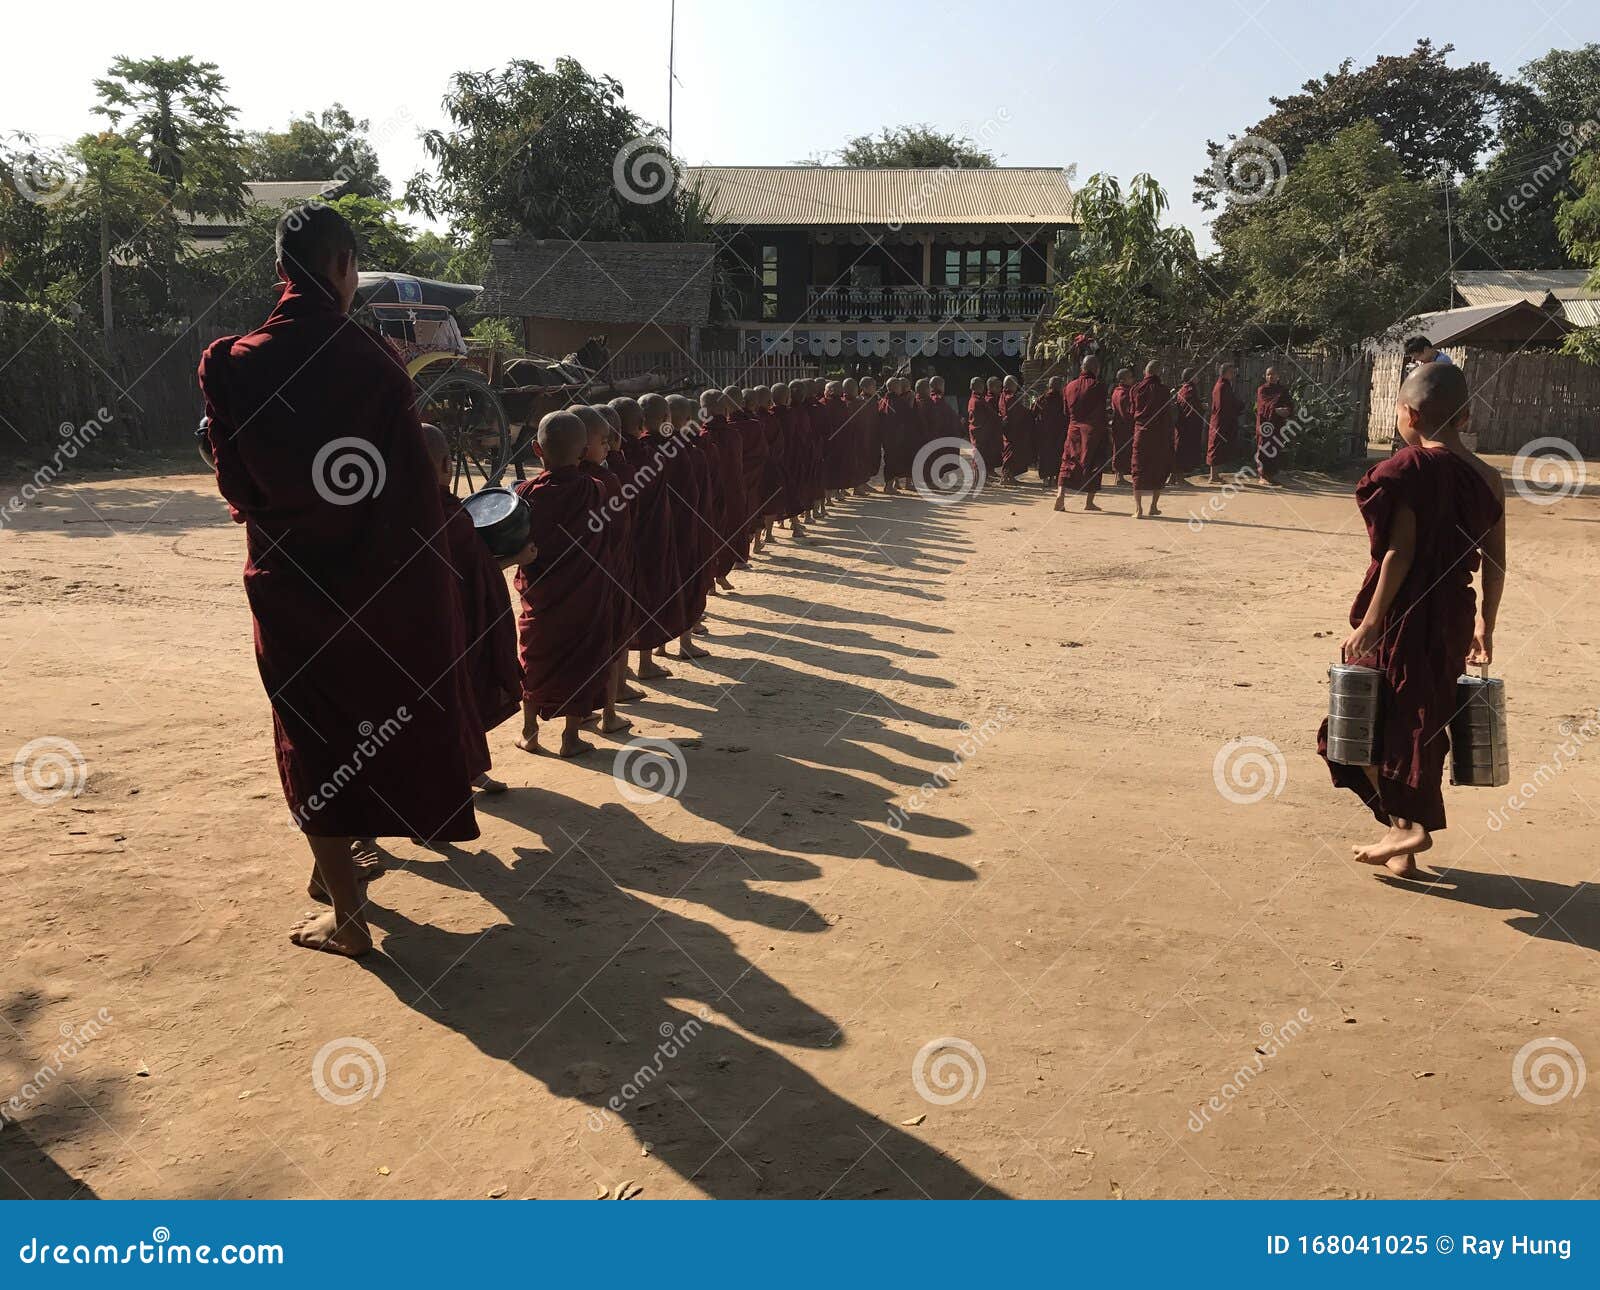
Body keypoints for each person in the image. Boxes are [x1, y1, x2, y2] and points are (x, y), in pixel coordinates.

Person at [197, 203, 479, 958]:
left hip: (290, 582)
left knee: (310, 732)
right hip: (377, 582)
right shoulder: (375, 363)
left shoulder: (233, 362)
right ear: (344, 266)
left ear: (281, 270)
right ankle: (347, 879)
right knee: (371, 712)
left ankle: (348, 913)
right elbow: (409, 490)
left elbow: (237, 488)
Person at [1316, 363, 1504, 876]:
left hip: (1405, 610)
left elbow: (1400, 553)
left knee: (1356, 724)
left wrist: (1372, 621)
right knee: (1423, 720)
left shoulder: (1412, 467)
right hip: (1454, 614)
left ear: (1410, 414)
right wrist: (1486, 625)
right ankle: (1403, 849)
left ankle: (1409, 826)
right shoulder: (1488, 478)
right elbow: (1496, 562)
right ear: (1465, 417)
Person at [424, 423, 533, 791]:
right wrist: (516, 558)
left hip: (415, 630)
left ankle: (463, 769)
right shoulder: (451, 518)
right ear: (446, 465)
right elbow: (478, 571)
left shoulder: (391, 514)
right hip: (455, 626)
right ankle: (461, 771)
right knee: (459, 691)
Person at [512, 410, 616, 759]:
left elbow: (516, 541)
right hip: (584, 598)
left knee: (533, 658)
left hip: (541, 598)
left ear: (536, 450)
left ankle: (529, 732)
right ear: (584, 451)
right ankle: (571, 737)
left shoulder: (526, 493)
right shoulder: (596, 490)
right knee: (581, 659)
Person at [1053, 355, 1110, 513]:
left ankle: (1060, 496)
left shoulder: (1069, 386)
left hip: (1074, 428)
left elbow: (1066, 412)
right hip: (1093, 431)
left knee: (1067, 461)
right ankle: (1089, 502)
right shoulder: (1098, 386)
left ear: (1082, 368)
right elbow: (1101, 409)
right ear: (1096, 369)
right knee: (1095, 463)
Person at [1130, 359, 1175, 520]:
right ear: (1159, 373)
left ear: (1145, 372)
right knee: (1158, 468)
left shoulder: (1136, 388)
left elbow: (1132, 411)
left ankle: (1138, 509)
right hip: (1159, 435)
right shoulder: (1164, 390)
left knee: (1138, 468)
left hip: (1141, 433)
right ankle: (1153, 506)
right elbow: (1168, 414)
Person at [1255, 366, 1294, 484]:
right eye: (1268, 374)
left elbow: (1289, 404)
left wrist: (1287, 410)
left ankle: (1271, 475)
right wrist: (1275, 410)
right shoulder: (1262, 389)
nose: (1270, 377)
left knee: (1274, 449)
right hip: (1265, 424)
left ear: (1278, 376)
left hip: (1277, 424)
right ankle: (1262, 476)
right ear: (1265, 376)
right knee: (1263, 448)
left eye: (1273, 374)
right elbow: (1263, 405)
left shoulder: (1282, 390)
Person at [1206, 363, 1242, 484]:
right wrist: (1238, 406)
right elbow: (1224, 405)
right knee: (1216, 447)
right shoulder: (1221, 386)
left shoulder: (1224, 385)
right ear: (1225, 373)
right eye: (1231, 372)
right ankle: (1213, 477)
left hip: (1222, 420)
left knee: (1219, 447)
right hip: (1220, 421)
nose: (1233, 374)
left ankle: (1215, 475)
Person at [1173, 368, 1207, 484]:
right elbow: (1193, 409)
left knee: (1179, 449)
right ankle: (1179, 478)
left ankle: (1173, 477)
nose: (1198, 378)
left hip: (1181, 424)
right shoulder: (1190, 389)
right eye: (1196, 375)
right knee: (1183, 451)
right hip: (1187, 425)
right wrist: (1202, 407)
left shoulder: (1183, 389)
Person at [999, 375, 1035, 483]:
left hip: (1008, 428)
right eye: (1015, 385)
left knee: (1010, 452)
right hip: (1013, 429)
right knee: (1012, 453)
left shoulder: (1002, 396)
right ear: (1011, 385)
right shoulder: (1009, 397)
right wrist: (1030, 411)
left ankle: (1008, 476)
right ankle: (1006, 477)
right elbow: (1018, 412)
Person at [1034, 375, 1068, 489]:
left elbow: (1033, 413)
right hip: (1059, 433)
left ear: (1049, 386)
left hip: (1044, 433)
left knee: (1044, 455)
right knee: (1057, 455)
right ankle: (1054, 478)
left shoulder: (1042, 399)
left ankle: (1045, 479)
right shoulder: (1063, 400)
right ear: (1060, 387)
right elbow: (1067, 414)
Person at [1109, 367, 1135, 485]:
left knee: (1120, 449)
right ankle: (1119, 477)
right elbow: (1127, 411)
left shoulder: (1117, 391)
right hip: (1124, 425)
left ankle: (1120, 476)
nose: (1132, 379)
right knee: (1122, 450)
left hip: (1119, 425)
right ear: (1122, 380)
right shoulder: (1123, 393)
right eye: (1130, 377)